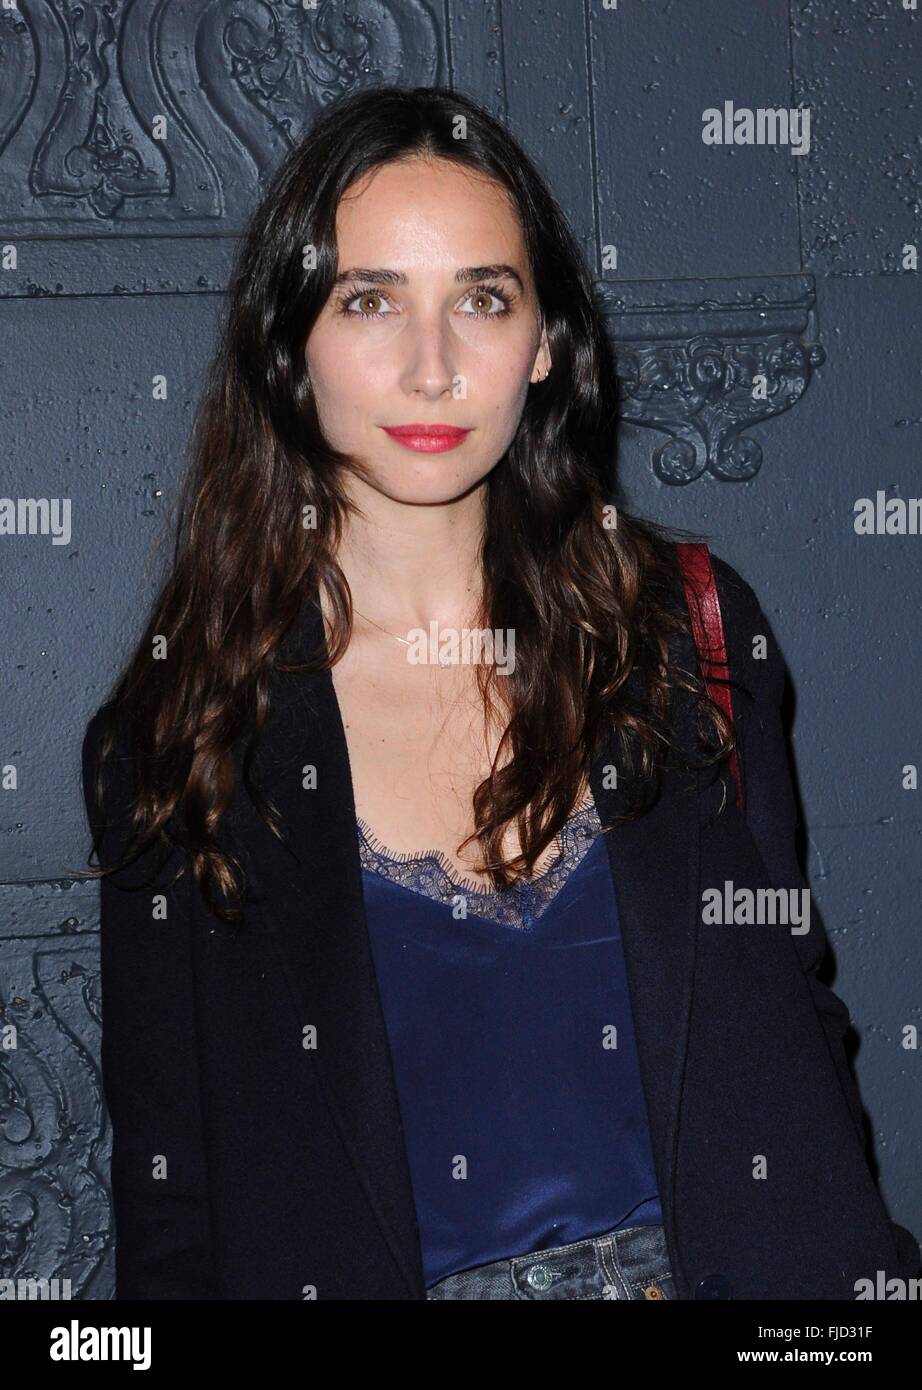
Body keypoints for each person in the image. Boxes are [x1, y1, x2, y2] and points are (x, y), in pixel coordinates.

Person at [80, 84, 919, 1301]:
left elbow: (791, 1022)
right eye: (370, 300)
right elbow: (174, 1193)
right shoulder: (186, 737)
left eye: (481, 298)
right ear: (288, 340)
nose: (431, 368)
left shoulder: (686, 633)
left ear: (543, 345)